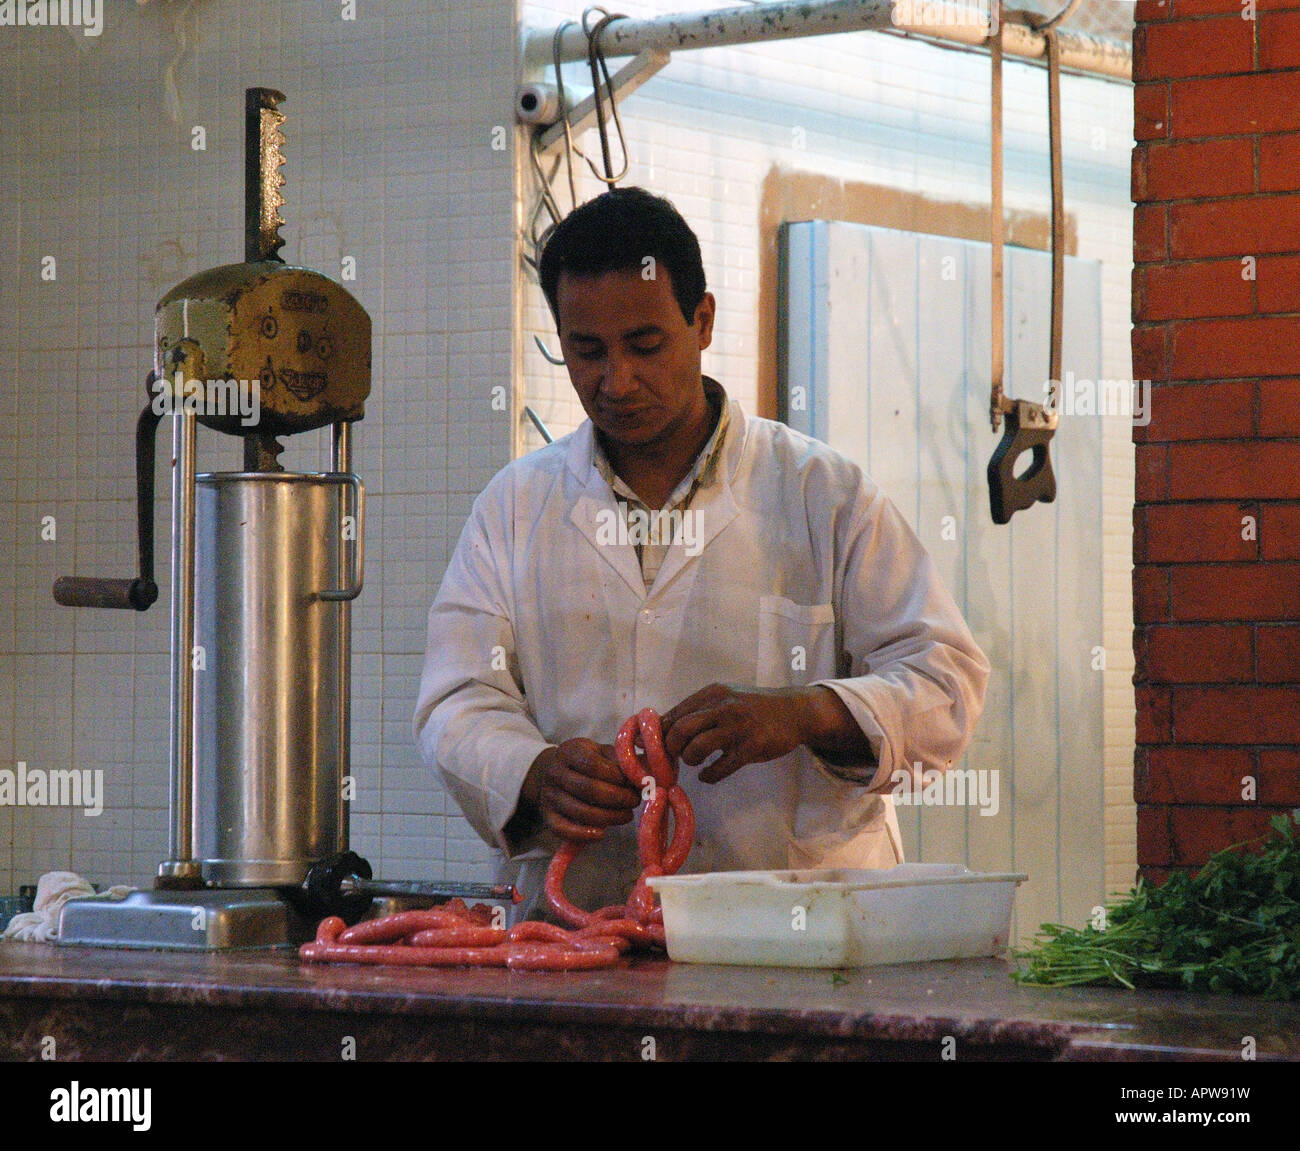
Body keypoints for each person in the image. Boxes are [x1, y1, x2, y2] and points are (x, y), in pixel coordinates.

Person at [413, 187, 989, 917]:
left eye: (645, 346)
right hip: (584, 931)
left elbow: (946, 683)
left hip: (797, 929)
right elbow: (455, 698)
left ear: (703, 321)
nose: (615, 381)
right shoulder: (516, 505)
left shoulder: (824, 492)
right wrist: (531, 772)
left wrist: (809, 712)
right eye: (586, 351)